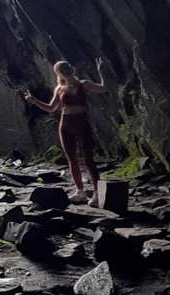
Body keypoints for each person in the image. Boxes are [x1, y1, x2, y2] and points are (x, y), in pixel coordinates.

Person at [22, 58, 107, 206]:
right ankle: (80, 192)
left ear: (71, 68)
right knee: (72, 160)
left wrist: (101, 72)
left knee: (88, 159)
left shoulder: (84, 84)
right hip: (65, 125)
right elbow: (51, 108)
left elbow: (104, 88)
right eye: (61, 70)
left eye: (66, 68)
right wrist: (34, 100)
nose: (65, 71)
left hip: (82, 124)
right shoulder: (59, 89)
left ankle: (97, 193)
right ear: (59, 74)